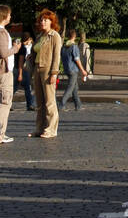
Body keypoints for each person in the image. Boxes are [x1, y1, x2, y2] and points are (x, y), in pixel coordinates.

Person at [28, 10, 62, 139]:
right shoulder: (39, 36)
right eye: (41, 20)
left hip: (48, 70)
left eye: (45, 20)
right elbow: (36, 51)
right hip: (37, 68)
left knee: (49, 101)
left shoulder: (55, 36)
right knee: (40, 102)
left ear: (51, 22)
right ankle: (39, 128)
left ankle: (51, 129)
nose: (42, 22)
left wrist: (54, 73)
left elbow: (56, 56)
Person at [0, 5, 20, 145]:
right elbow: (3, 53)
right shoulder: (1, 33)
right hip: (3, 72)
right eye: (9, 15)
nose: (11, 17)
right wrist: (15, 48)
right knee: (5, 102)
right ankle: (0, 134)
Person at [59, 29, 88, 111]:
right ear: (74, 36)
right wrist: (83, 70)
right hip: (73, 69)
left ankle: (78, 105)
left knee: (75, 88)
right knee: (70, 87)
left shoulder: (64, 47)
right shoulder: (74, 47)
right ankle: (61, 104)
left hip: (66, 69)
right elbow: (77, 59)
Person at [15, 30, 35, 113]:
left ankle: (29, 104)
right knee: (26, 87)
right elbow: (21, 61)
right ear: (28, 39)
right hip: (21, 69)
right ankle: (29, 104)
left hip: (15, 68)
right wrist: (20, 73)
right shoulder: (23, 48)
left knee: (15, 87)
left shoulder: (18, 46)